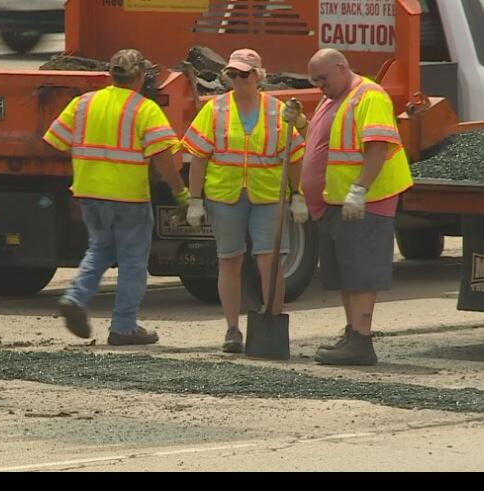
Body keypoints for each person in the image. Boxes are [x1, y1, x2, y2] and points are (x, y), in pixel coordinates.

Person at [43, 49, 189, 346]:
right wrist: (180, 191)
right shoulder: (144, 109)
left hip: (89, 193)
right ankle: (123, 326)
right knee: (133, 261)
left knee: (99, 250)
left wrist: (88, 161)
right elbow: (162, 155)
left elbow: (55, 141)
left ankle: (75, 297)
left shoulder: (83, 103)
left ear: (110, 74)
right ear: (141, 76)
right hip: (128, 197)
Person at [182, 49, 307, 353]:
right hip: (225, 197)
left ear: (258, 76)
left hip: (266, 196)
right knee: (229, 260)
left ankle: (271, 322)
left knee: (269, 260)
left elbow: (297, 154)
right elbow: (198, 158)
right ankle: (232, 330)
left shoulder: (277, 111)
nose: (238, 80)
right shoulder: (215, 109)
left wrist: (297, 196)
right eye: (233, 74)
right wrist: (195, 200)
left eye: (245, 74)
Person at [301, 49, 414, 366]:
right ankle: (352, 333)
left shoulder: (369, 96)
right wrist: (300, 123)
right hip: (336, 201)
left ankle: (361, 340)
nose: (319, 85)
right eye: (315, 80)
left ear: (341, 67)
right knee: (346, 271)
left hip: (366, 202)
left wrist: (359, 190)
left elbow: (377, 147)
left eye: (323, 78)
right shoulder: (333, 97)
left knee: (361, 271)